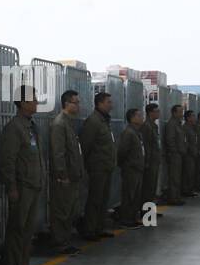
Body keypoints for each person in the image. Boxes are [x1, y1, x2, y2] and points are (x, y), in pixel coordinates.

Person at [0, 85, 44, 265]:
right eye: (33, 99)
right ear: (23, 103)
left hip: (33, 185)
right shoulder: (14, 128)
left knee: (28, 230)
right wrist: (12, 187)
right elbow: (7, 160)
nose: (36, 102)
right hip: (22, 186)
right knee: (17, 229)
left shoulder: (32, 126)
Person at [47, 90, 83, 255]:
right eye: (75, 102)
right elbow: (58, 152)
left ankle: (65, 241)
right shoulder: (60, 124)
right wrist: (62, 174)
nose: (78, 106)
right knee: (62, 211)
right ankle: (60, 243)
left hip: (72, 175)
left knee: (69, 210)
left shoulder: (68, 123)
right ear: (67, 104)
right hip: (64, 178)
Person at [79, 91, 116, 240]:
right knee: (95, 200)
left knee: (103, 200)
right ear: (100, 103)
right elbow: (85, 145)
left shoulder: (104, 121)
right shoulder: (93, 121)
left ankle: (99, 228)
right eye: (108, 102)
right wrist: (89, 166)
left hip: (105, 167)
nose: (111, 105)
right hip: (97, 168)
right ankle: (90, 230)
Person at [116, 108, 145, 227]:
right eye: (139, 115)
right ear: (132, 118)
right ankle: (126, 219)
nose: (141, 117)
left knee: (135, 195)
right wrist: (127, 165)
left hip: (137, 168)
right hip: (131, 169)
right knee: (129, 195)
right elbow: (122, 151)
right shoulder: (128, 133)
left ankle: (132, 217)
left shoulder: (136, 132)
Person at [140, 103, 163, 218]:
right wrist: (147, 162)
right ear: (150, 113)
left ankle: (150, 212)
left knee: (152, 187)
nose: (158, 113)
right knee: (148, 189)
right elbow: (146, 146)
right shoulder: (146, 127)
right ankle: (146, 214)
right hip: (150, 162)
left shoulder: (153, 126)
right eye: (156, 111)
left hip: (154, 161)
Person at [163, 104, 186, 205]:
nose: (182, 114)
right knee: (174, 178)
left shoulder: (178, 124)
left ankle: (176, 196)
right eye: (180, 112)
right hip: (174, 155)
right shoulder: (171, 124)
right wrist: (175, 151)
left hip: (179, 154)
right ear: (174, 113)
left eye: (182, 111)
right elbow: (170, 140)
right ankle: (173, 198)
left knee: (178, 177)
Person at [181, 110, 198, 197]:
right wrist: (190, 151)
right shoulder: (185, 128)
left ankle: (190, 189)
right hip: (188, 154)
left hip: (193, 154)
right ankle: (186, 190)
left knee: (191, 173)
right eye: (193, 116)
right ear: (188, 118)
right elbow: (185, 142)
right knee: (187, 173)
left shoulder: (192, 127)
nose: (194, 118)